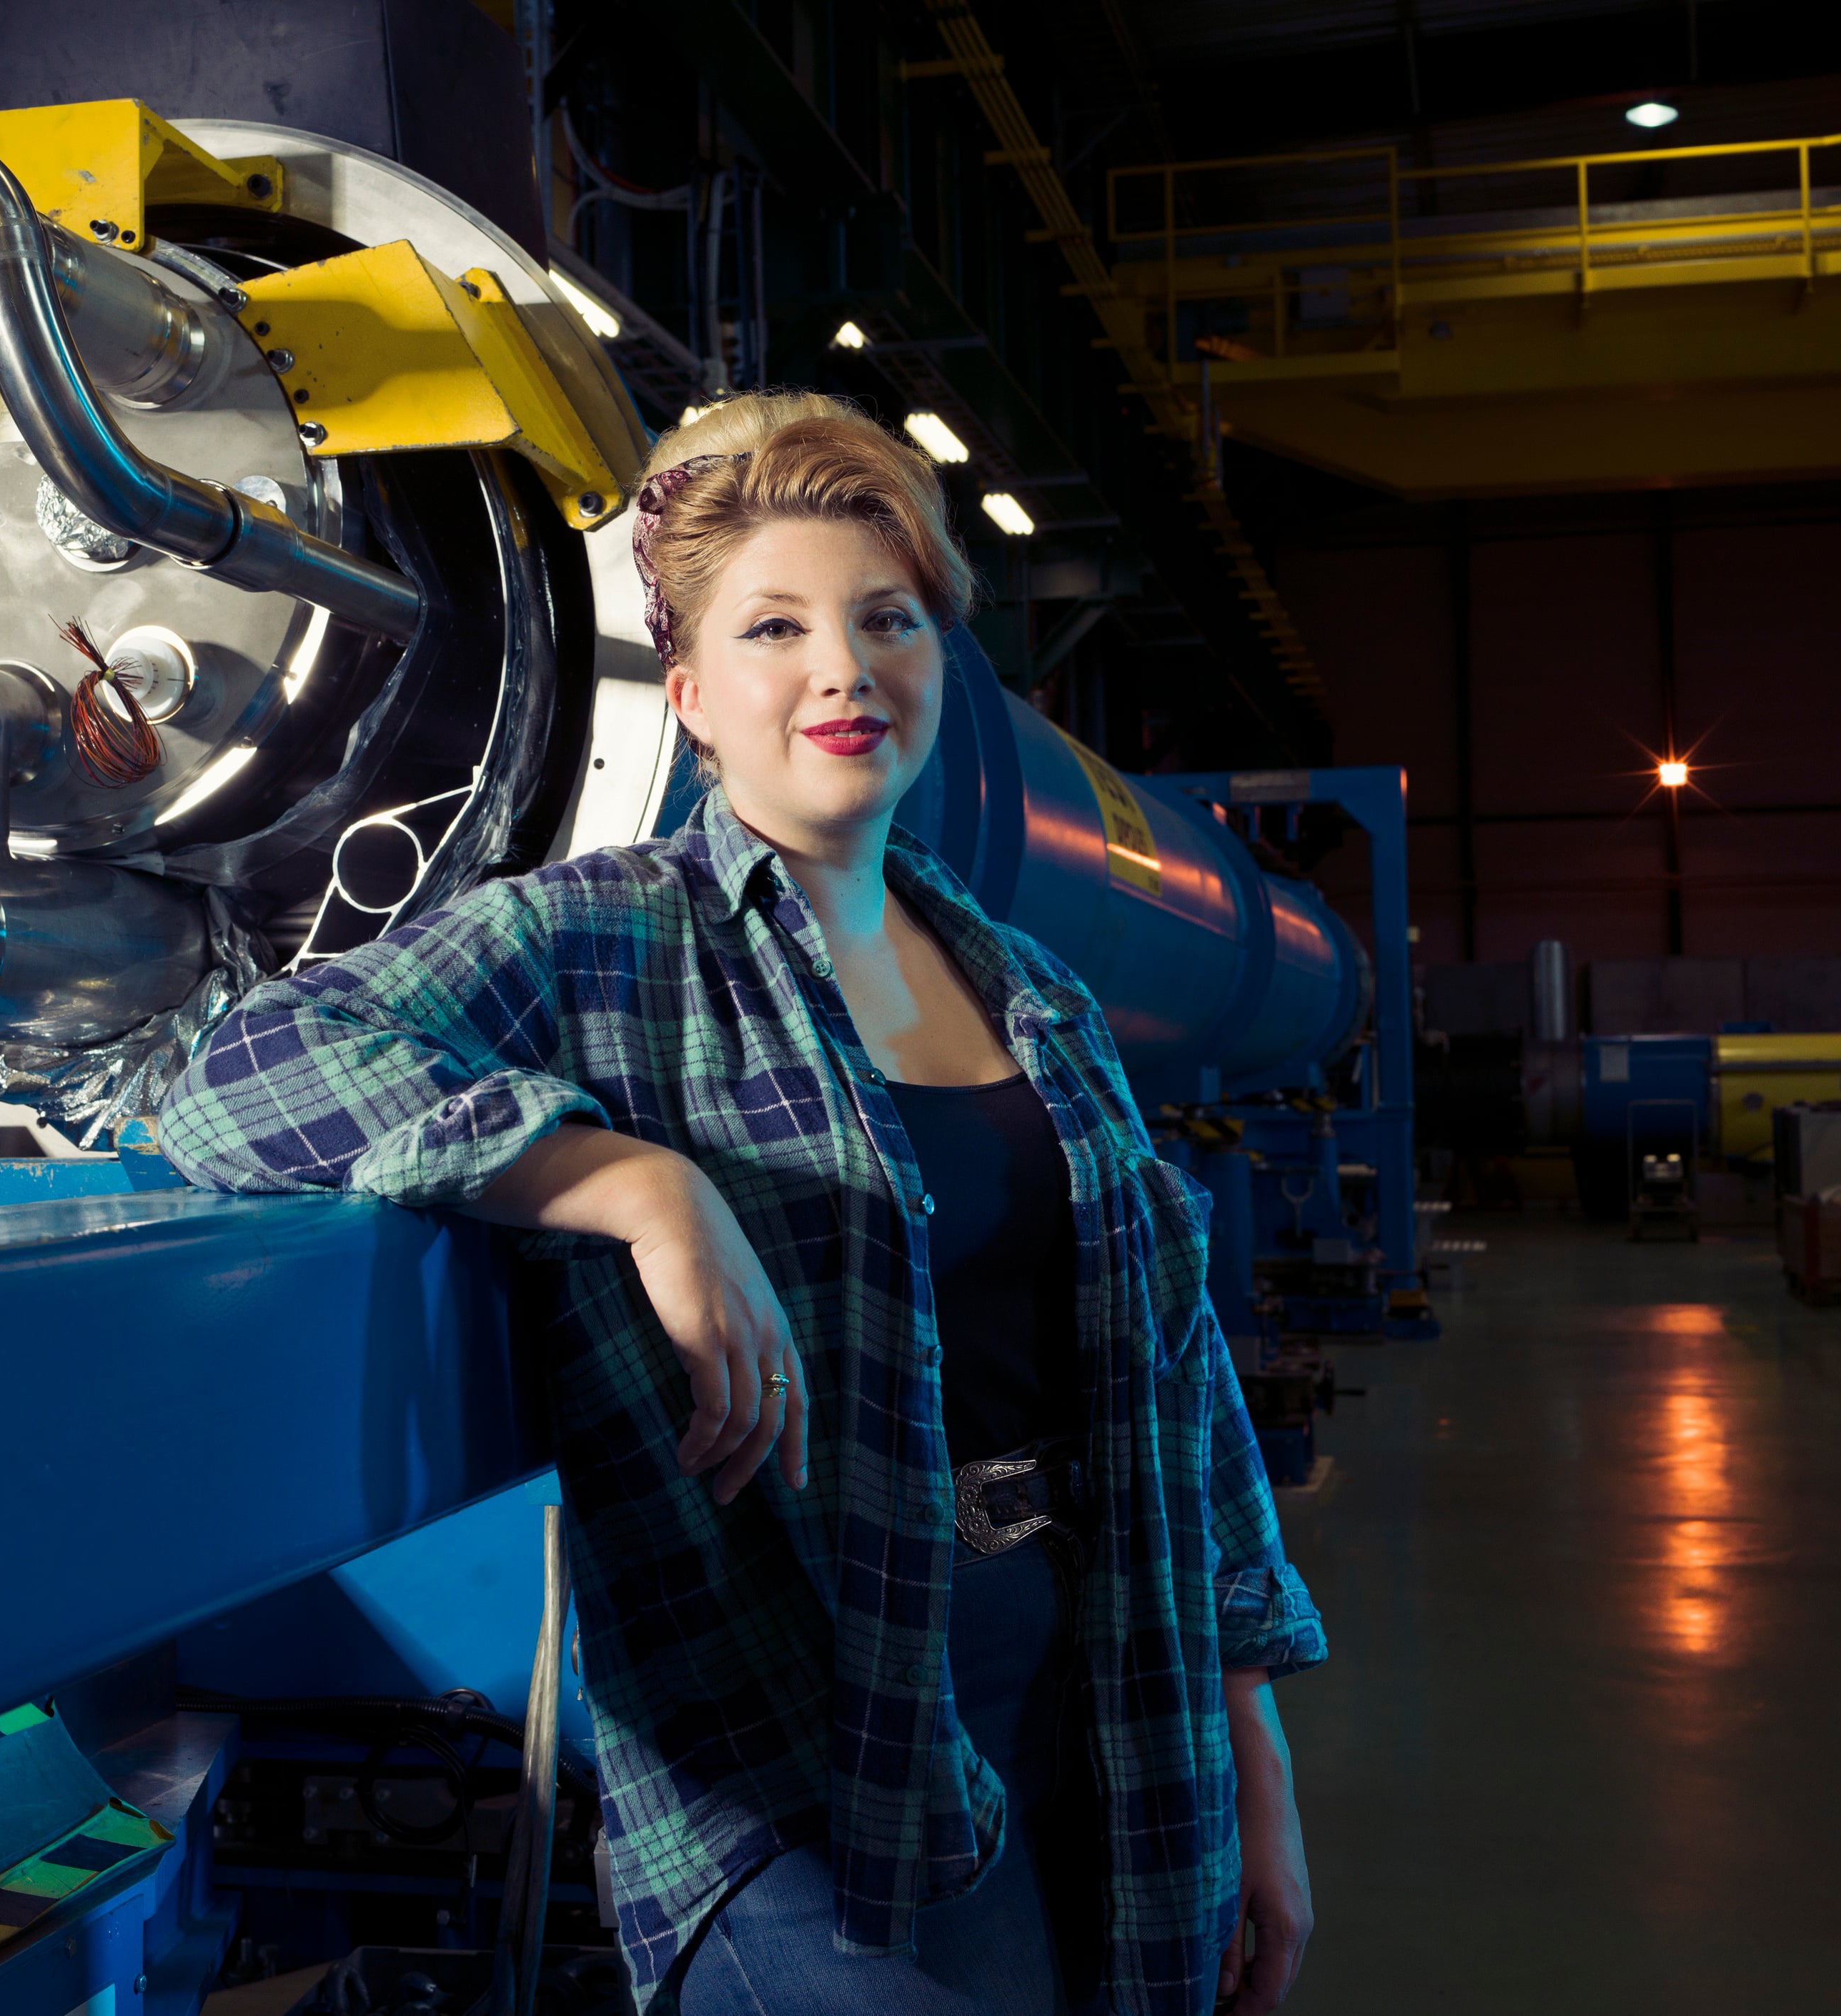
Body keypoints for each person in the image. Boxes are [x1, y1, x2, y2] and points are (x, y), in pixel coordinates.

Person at [157, 391, 1325, 2015]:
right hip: (792, 1735)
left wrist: (1253, 1759)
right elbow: (233, 1069)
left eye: (885, 619)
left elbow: (1179, 1389)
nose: (841, 667)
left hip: (1110, 1682)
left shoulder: (1037, 994)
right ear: (692, 694)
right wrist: (627, 1178)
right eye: (775, 626)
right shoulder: (596, 939)